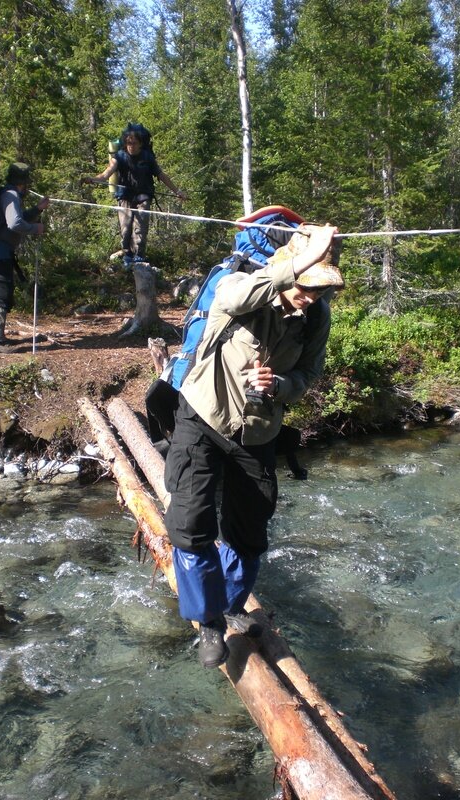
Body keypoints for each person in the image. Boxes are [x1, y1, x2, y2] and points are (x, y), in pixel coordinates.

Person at [163, 222, 345, 668]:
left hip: (258, 429)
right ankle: (207, 622)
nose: (312, 296)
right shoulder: (240, 286)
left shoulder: (316, 318)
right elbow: (232, 298)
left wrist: (281, 384)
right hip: (204, 415)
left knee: (250, 526)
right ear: (289, 270)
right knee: (191, 522)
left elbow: (309, 375)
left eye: (322, 290)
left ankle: (230, 604)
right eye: (307, 286)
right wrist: (302, 261)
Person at [83, 126, 186, 266]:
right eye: (128, 143)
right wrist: (92, 179)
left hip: (143, 196)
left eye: (134, 143)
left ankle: (139, 256)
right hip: (125, 196)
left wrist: (177, 191)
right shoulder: (119, 156)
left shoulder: (147, 157)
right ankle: (127, 254)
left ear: (141, 143)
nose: (130, 146)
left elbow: (162, 176)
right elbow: (106, 174)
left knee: (140, 228)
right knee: (125, 228)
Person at [0, 162, 49, 354]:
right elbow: (14, 223)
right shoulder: (11, 195)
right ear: (23, 182)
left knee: (2, 293)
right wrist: (35, 229)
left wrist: (38, 209)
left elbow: (16, 218)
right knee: (0, 295)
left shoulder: (8, 194)